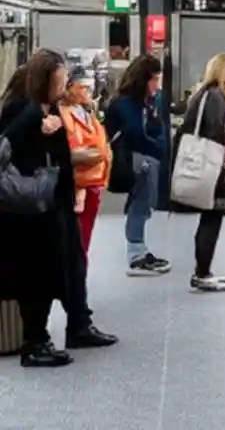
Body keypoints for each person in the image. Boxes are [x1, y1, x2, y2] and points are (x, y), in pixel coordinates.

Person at [0, 50, 117, 368]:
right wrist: (38, 124)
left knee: (71, 265)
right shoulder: (22, 109)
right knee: (36, 276)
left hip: (54, 202)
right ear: (44, 80)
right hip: (29, 209)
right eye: (61, 79)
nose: (65, 85)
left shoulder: (48, 108)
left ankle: (78, 324)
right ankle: (34, 342)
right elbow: (8, 145)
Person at [177, 53, 225, 292]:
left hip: (210, 168)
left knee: (209, 219)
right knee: (211, 219)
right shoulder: (217, 98)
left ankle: (203, 270)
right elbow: (218, 134)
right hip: (214, 170)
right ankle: (202, 273)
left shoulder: (204, 94)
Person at [104, 54, 171, 276]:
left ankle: (139, 248)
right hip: (134, 162)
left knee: (144, 205)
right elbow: (136, 134)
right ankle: (135, 253)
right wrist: (156, 147)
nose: (158, 85)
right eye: (154, 80)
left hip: (149, 161)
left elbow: (156, 130)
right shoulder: (124, 105)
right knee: (139, 206)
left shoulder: (153, 102)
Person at [59, 66, 112, 267]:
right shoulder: (64, 114)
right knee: (76, 239)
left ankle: (79, 276)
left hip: (94, 180)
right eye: (83, 87)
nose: (87, 92)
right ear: (69, 87)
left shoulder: (86, 112)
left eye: (90, 88)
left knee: (85, 237)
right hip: (78, 182)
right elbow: (72, 146)